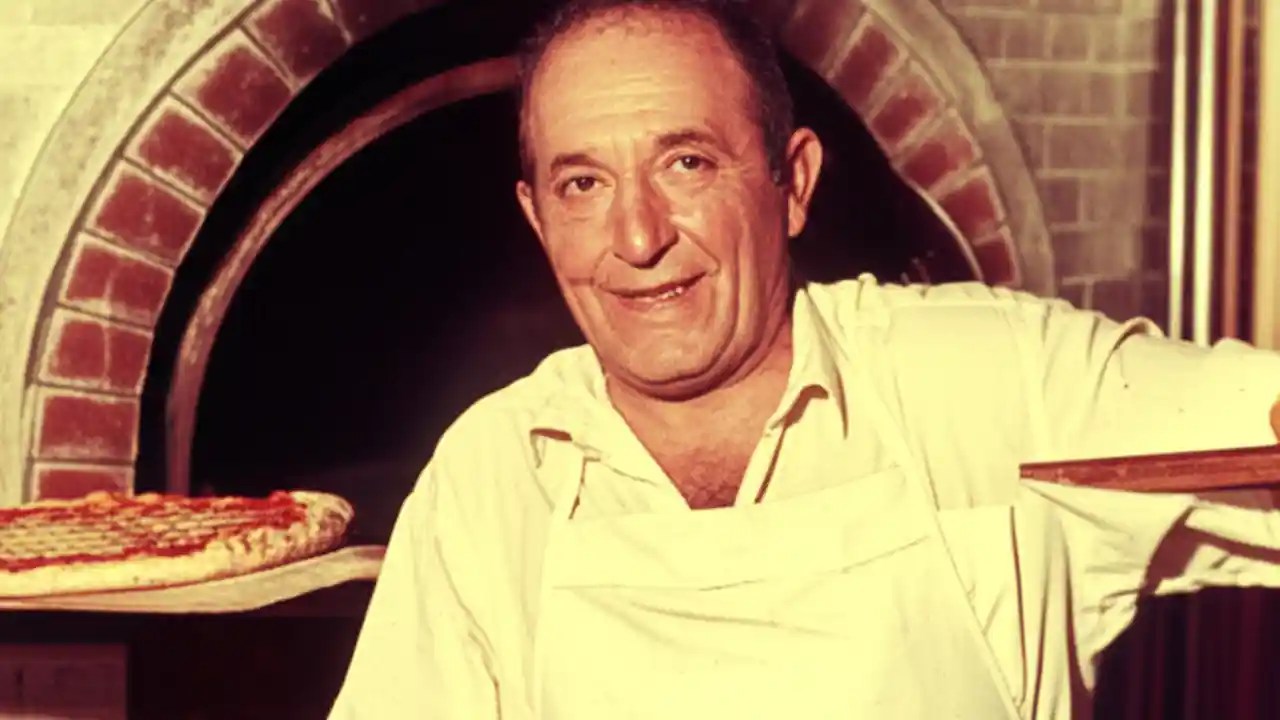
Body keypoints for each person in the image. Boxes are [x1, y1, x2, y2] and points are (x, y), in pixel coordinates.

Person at [329, 1, 1280, 717]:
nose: (637, 235)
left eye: (686, 164)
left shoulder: (988, 380)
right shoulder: (495, 474)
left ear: (793, 184)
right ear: (540, 219)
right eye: (583, 183)